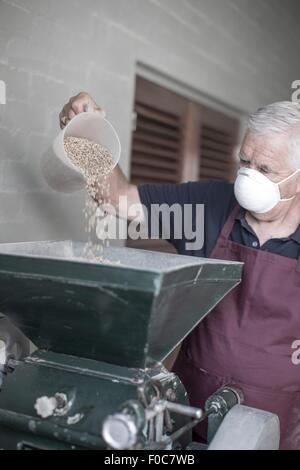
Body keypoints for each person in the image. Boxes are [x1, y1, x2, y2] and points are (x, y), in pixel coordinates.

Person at [59, 94, 300, 449]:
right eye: (244, 162)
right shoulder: (209, 206)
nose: (249, 177)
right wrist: (87, 138)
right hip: (187, 415)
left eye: (265, 170)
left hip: (275, 430)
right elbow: (118, 199)